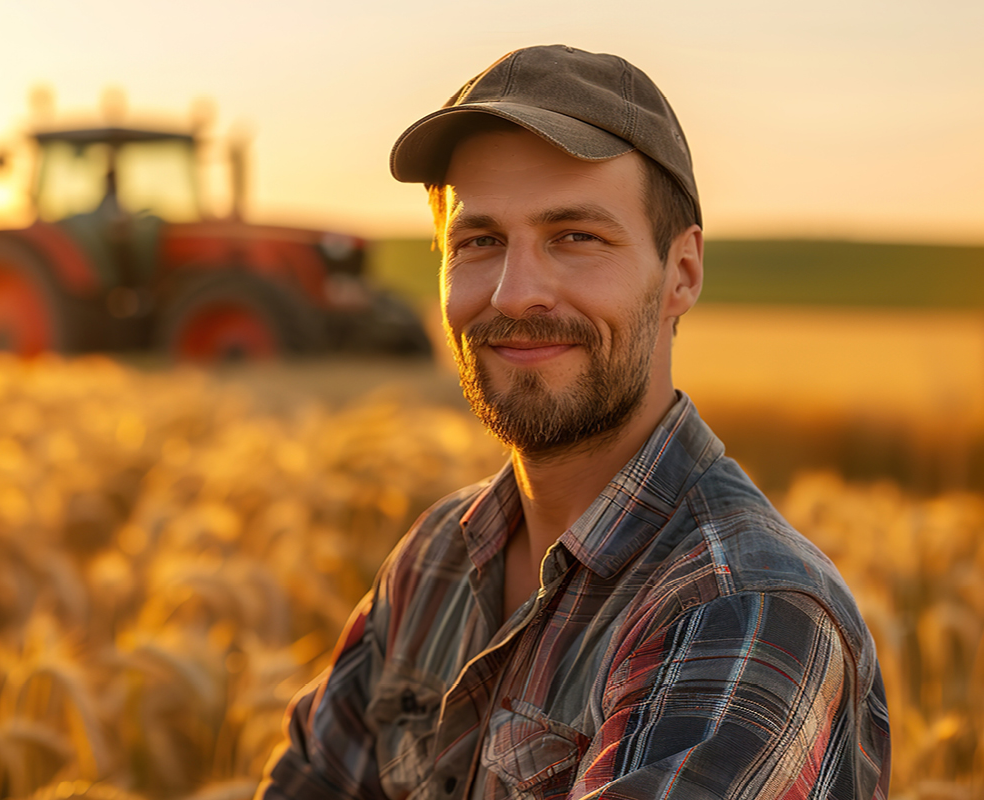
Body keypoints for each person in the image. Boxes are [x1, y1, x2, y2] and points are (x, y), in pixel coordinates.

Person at [257, 45, 891, 799]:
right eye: (478, 241)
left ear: (680, 274)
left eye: (575, 236)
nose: (514, 292)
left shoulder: (749, 610)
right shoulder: (430, 564)